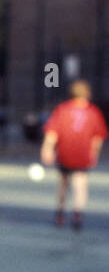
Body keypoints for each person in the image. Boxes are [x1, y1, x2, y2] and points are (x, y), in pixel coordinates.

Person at [40, 79, 107, 229]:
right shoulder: (93, 112)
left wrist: (47, 149)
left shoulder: (63, 109)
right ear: (87, 93)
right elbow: (97, 138)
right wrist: (94, 153)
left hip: (65, 152)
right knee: (80, 184)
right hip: (82, 154)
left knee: (63, 183)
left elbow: (52, 132)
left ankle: (60, 213)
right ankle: (78, 213)